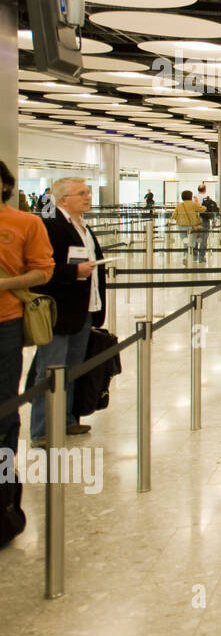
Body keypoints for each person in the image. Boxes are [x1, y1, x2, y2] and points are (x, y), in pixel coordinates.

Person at [29, 177, 107, 443]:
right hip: (59, 311)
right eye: (81, 194)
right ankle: (42, 429)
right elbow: (41, 268)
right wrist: (74, 271)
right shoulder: (51, 226)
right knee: (50, 368)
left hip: (84, 307)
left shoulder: (82, 226)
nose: (88, 197)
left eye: (88, 192)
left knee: (73, 366)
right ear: (63, 199)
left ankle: (66, 419)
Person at [0, 161, 54, 473]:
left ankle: (4, 475)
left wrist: (6, 284)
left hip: (6, 321)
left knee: (5, 399)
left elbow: (43, 270)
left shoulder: (25, 223)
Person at [172, 190, 204, 266]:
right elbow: (203, 209)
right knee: (191, 242)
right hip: (192, 226)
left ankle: (185, 256)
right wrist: (197, 203)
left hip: (181, 226)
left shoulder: (179, 205)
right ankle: (189, 256)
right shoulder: (193, 204)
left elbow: (174, 216)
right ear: (190, 196)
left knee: (185, 242)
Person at [196, 187, 218, 264]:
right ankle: (201, 257)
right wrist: (214, 221)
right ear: (205, 190)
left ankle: (194, 255)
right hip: (205, 219)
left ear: (198, 189)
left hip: (195, 220)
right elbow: (212, 210)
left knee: (194, 237)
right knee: (204, 238)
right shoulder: (207, 198)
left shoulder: (194, 198)